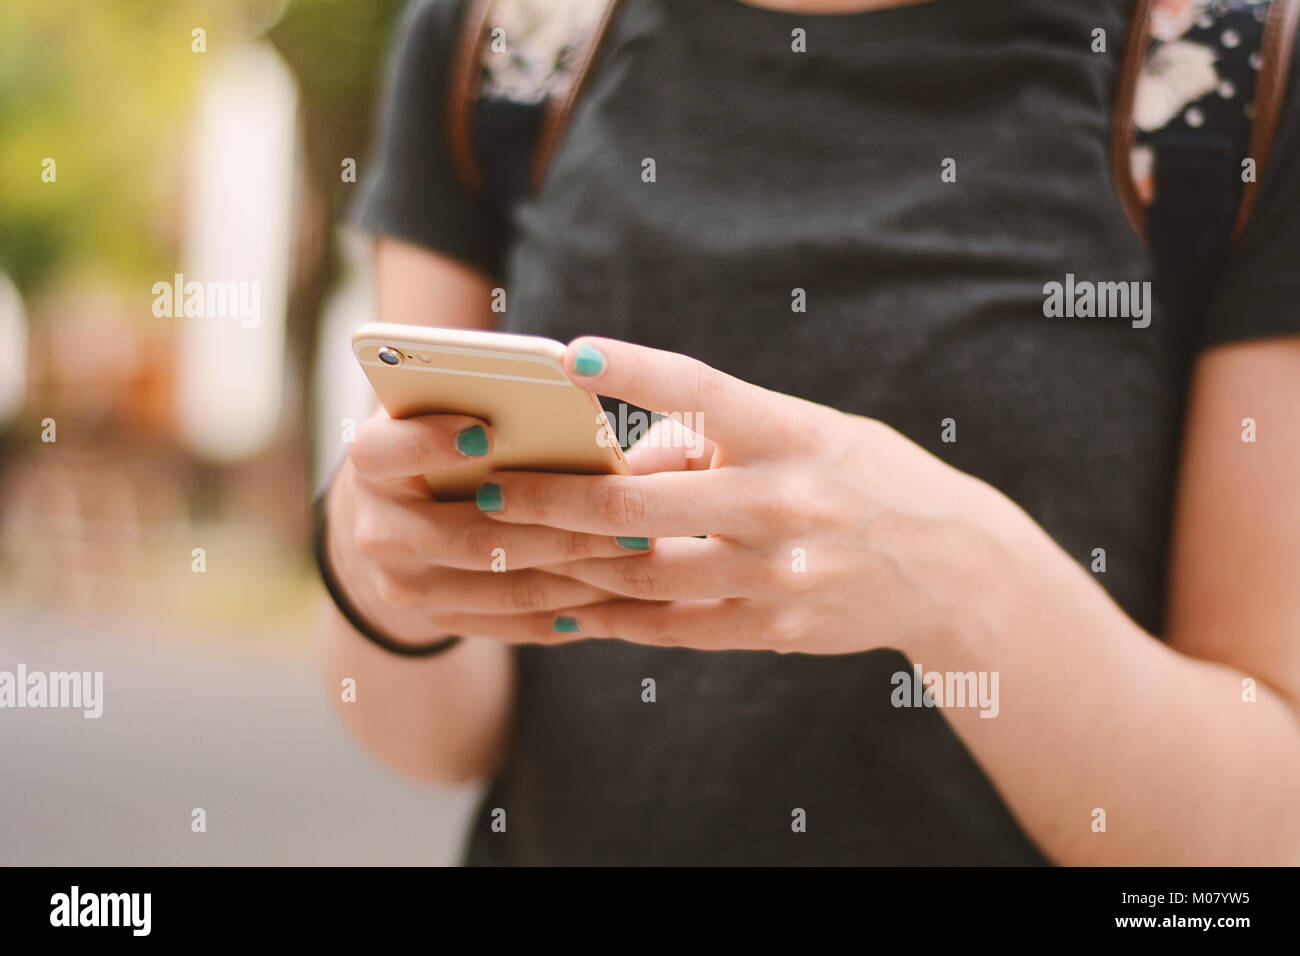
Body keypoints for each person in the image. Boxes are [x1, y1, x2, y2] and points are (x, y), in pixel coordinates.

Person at [317, 0, 1300, 865]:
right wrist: (377, 568)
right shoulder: (509, 42)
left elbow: (1264, 822)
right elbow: (441, 741)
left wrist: (953, 579)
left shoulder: (1230, 72)